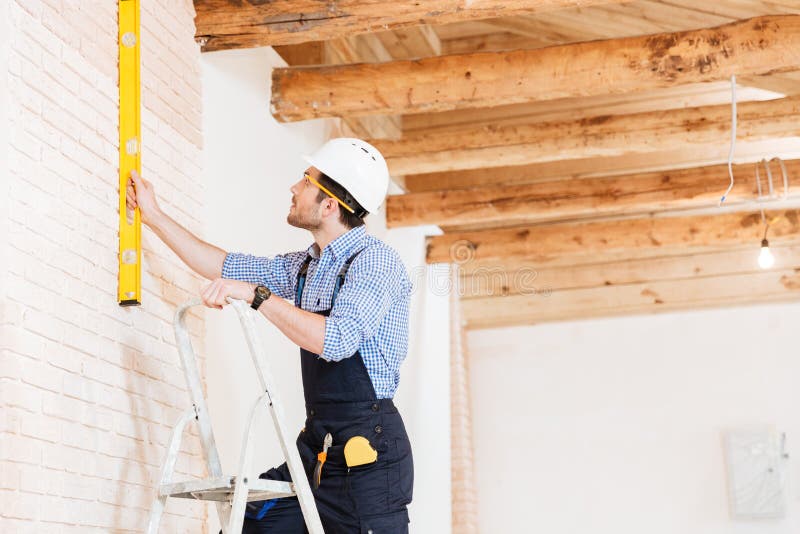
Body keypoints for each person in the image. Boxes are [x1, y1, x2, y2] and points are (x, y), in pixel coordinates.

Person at [127, 138, 414, 533]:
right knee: (252, 522)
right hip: (318, 450)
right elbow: (222, 265)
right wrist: (153, 216)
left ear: (329, 205)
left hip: (368, 464)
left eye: (305, 180)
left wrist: (258, 297)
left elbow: (335, 341)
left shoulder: (374, 262)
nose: (294, 189)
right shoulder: (304, 268)